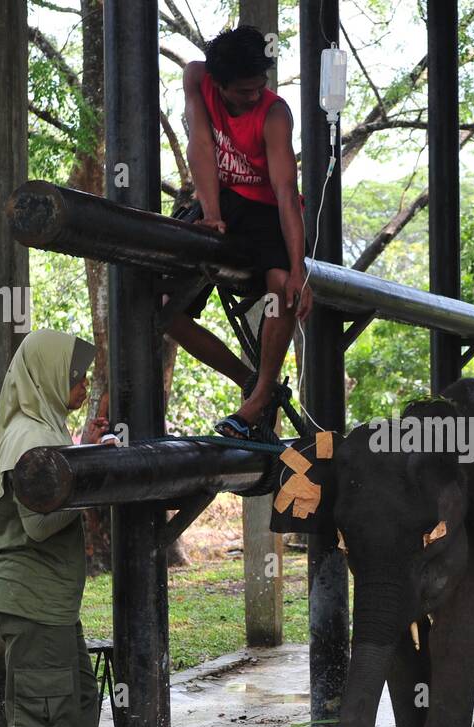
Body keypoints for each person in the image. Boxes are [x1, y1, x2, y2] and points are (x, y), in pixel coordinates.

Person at [0, 329, 113, 727]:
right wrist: (98, 478)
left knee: (77, 698)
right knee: (43, 712)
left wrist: (87, 455)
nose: (82, 386)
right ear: (46, 377)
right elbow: (40, 523)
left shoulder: (43, 430)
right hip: (32, 600)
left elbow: (59, 477)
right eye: (73, 376)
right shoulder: (27, 439)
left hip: (49, 602)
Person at [164, 24, 312, 442]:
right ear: (219, 82)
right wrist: (209, 213)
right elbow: (201, 145)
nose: (255, 95)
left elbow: (285, 191)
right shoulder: (197, 78)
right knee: (163, 307)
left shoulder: (275, 112)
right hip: (223, 200)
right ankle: (250, 380)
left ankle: (261, 395)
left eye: (259, 86)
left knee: (281, 285)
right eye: (245, 91)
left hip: (267, 210)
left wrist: (298, 267)